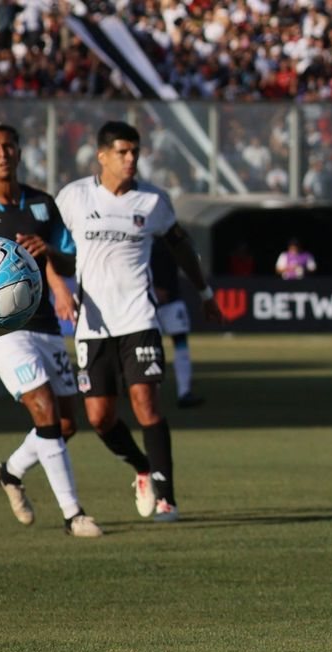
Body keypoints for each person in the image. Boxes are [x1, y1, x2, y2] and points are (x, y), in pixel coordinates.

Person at [55, 121, 223, 523]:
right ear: (102, 155)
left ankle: (166, 497)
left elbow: (182, 249)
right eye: (122, 152)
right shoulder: (73, 197)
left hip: (139, 318)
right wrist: (58, 287)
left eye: (135, 152)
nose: (131, 159)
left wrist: (204, 293)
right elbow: (49, 249)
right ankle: (143, 467)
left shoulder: (153, 201)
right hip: (92, 325)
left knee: (145, 402)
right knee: (98, 417)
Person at [0, 123, 102, 537]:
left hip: (46, 323)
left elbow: (71, 262)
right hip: (1, 331)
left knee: (67, 424)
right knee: (44, 409)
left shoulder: (42, 205)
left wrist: (48, 250)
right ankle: (74, 515)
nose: (2, 153)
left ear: (18, 152)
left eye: (9, 146)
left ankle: (10, 473)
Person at [149, 244, 203, 408]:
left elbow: (190, 258)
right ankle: (149, 394)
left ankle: (184, 392)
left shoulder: (171, 235)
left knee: (181, 345)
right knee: (149, 349)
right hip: (147, 303)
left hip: (172, 301)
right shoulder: (144, 234)